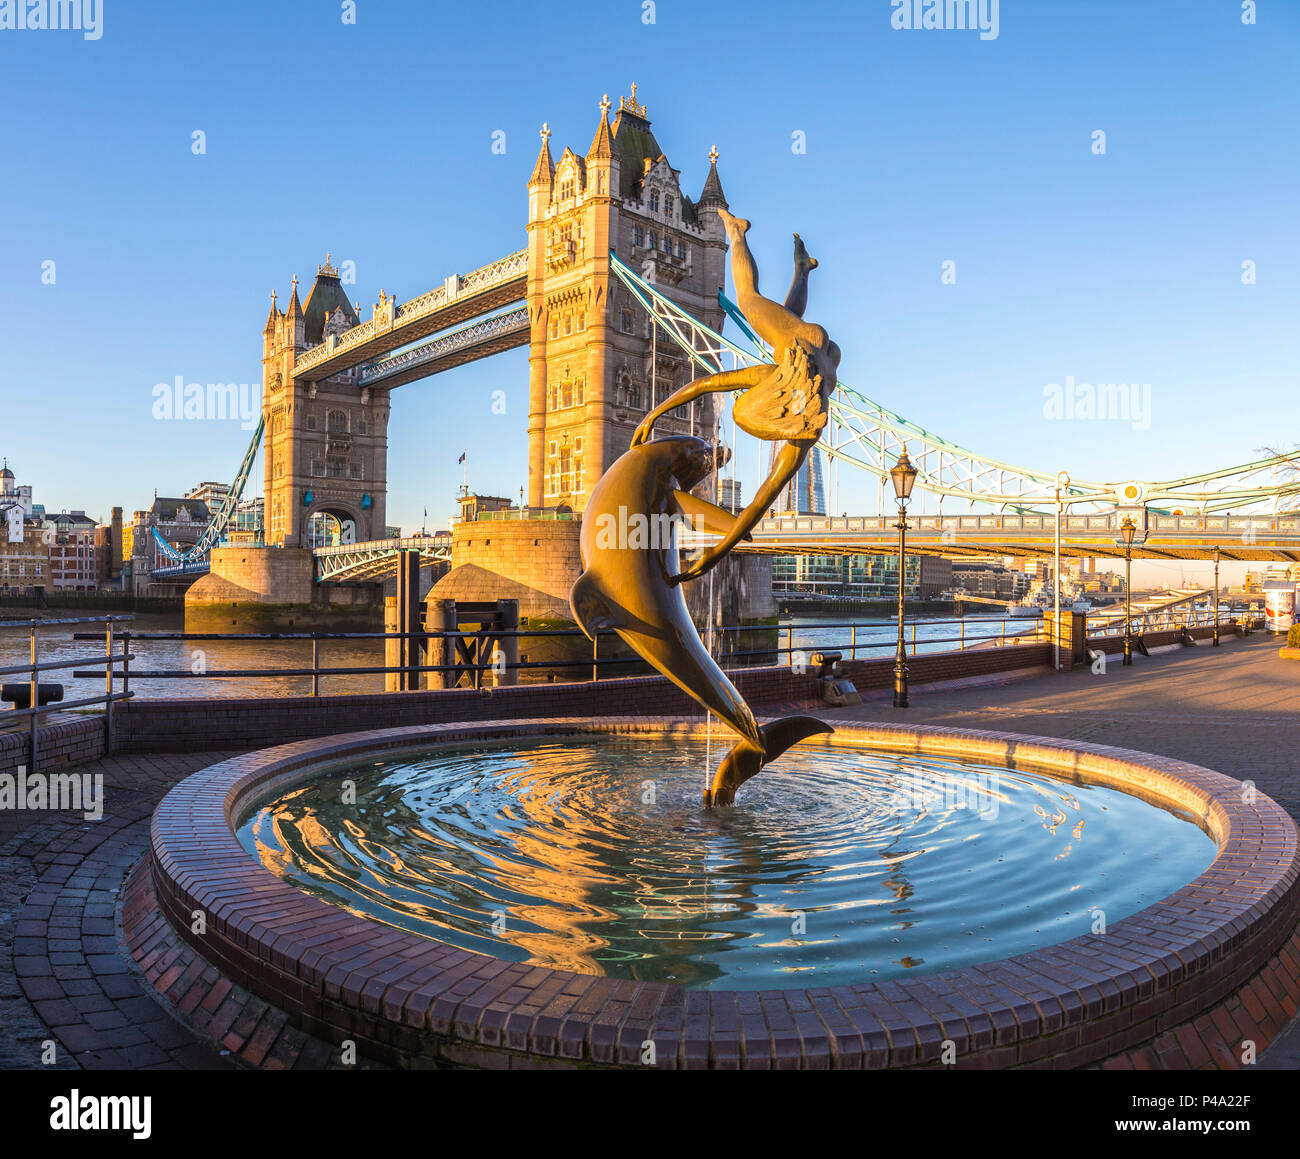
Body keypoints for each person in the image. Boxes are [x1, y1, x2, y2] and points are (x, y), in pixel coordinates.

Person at [630, 209, 841, 583]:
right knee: (750, 301)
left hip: (821, 352)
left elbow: (709, 384)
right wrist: (714, 554)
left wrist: (655, 414)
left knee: (774, 315)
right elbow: (758, 505)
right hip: (810, 352)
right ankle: (747, 238)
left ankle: (788, 263)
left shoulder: (795, 411)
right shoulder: (799, 427)